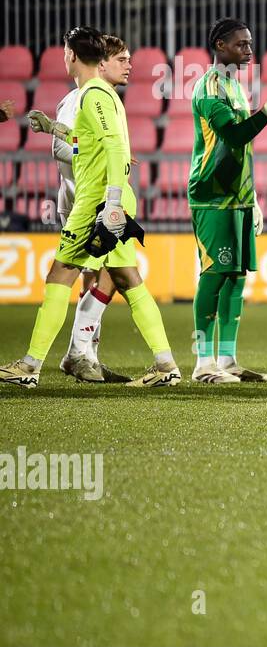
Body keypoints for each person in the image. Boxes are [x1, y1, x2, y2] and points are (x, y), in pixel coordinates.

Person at [1, 27, 179, 388]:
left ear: (71, 55)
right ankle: (166, 366)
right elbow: (91, 144)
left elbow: (113, 147)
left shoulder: (94, 92)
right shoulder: (99, 94)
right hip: (106, 197)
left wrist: (110, 203)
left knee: (59, 277)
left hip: (96, 201)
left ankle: (30, 367)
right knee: (128, 279)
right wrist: (56, 129)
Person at [189, 17, 267, 383]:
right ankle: (203, 363)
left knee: (236, 277)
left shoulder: (235, 86)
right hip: (211, 196)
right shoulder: (209, 88)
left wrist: (253, 198)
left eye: (250, 44)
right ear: (220, 45)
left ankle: (228, 359)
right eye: (241, 44)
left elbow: (241, 150)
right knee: (214, 274)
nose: (249, 51)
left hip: (238, 198)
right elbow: (235, 137)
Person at [27, 34, 135, 382]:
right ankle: (77, 354)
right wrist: (98, 154)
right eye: (120, 60)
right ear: (100, 63)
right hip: (83, 195)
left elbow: (80, 141)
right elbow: (62, 148)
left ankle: (84, 354)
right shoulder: (81, 99)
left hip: (93, 193)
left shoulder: (101, 99)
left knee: (101, 275)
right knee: (107, 275)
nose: (127, 66)